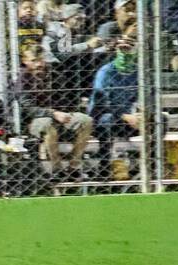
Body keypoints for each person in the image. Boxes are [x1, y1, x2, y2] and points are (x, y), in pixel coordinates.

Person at [19, 45, 93, 178]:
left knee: (86, 120)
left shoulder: (54, 74)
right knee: (47, 124)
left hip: (60, 115)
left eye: (41, 60)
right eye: (34, 60)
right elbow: (28, 108)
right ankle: (57, 168)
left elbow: (67, 98)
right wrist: (53, 113)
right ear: (25, 61)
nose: (39, 64)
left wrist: (66, 113)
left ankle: (74, 166)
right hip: (36, 120)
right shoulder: (22, 80)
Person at [88, 33, 140, 179]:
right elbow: (102, 103)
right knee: (107, 119)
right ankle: (104, 169)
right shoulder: (106, 72)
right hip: (104, 119)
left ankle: (153, 165)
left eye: (128, 49)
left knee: (160, 119)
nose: (124, 52)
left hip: (131, 120)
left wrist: (142, 113)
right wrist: (124, 115)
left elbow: (147, 96)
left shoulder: (139, 72)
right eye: (121, 49)